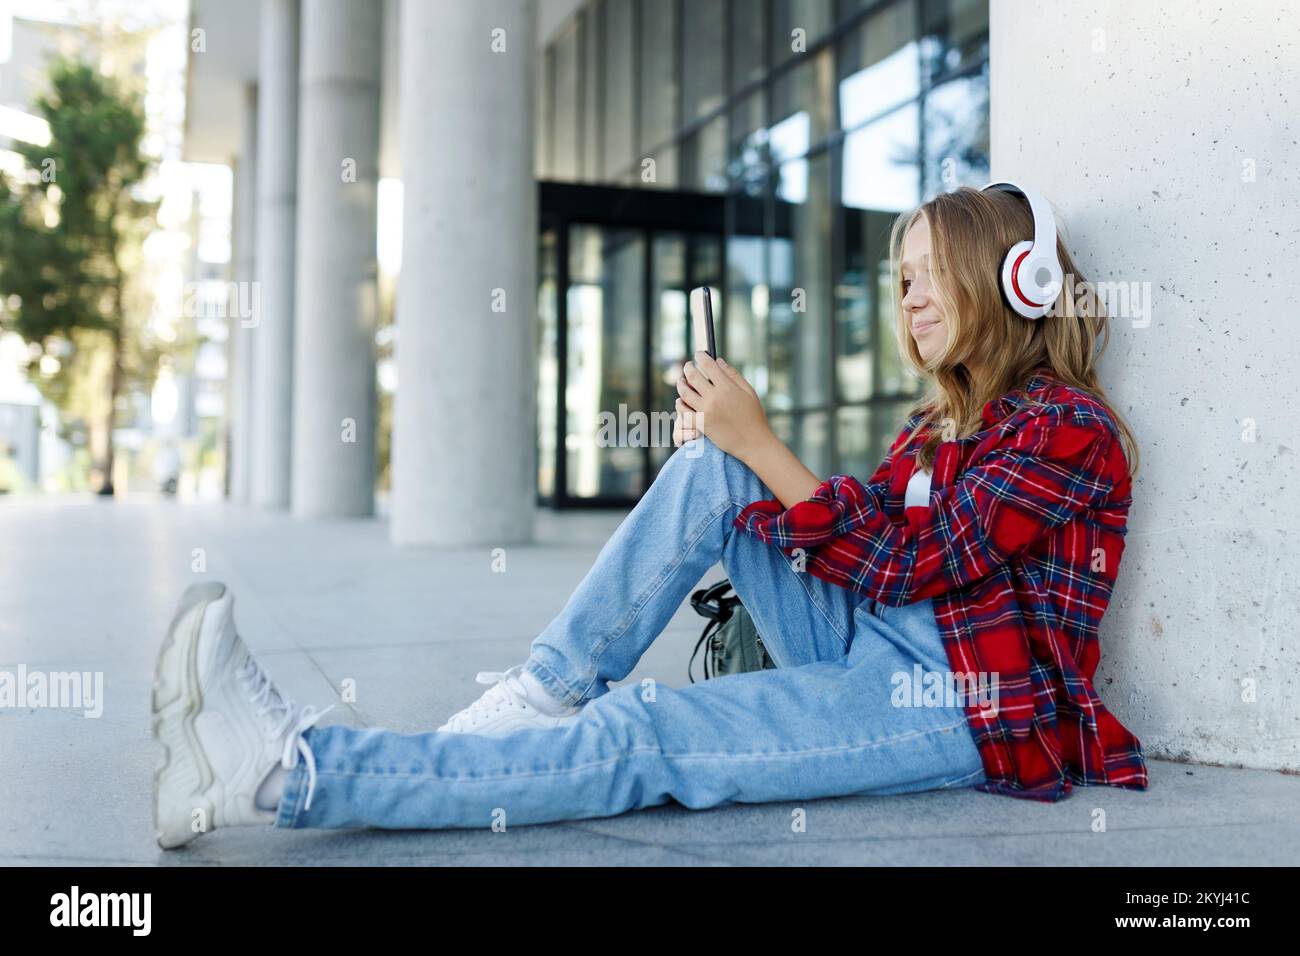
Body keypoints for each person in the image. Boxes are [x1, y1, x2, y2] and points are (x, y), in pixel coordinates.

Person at [152, 183, 1148, 849]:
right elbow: (856, 540)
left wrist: (764, 439)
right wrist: (740, 446)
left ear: (1011, 278)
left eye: (930, 271)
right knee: (717, 467)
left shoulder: (1067, 427)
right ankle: (544, 691)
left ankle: (286, 771)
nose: (909, 295)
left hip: (957, 701)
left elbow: (907, 561)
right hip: (871, 633)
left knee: (646, 731)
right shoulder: (936, 424)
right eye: (901, 277)